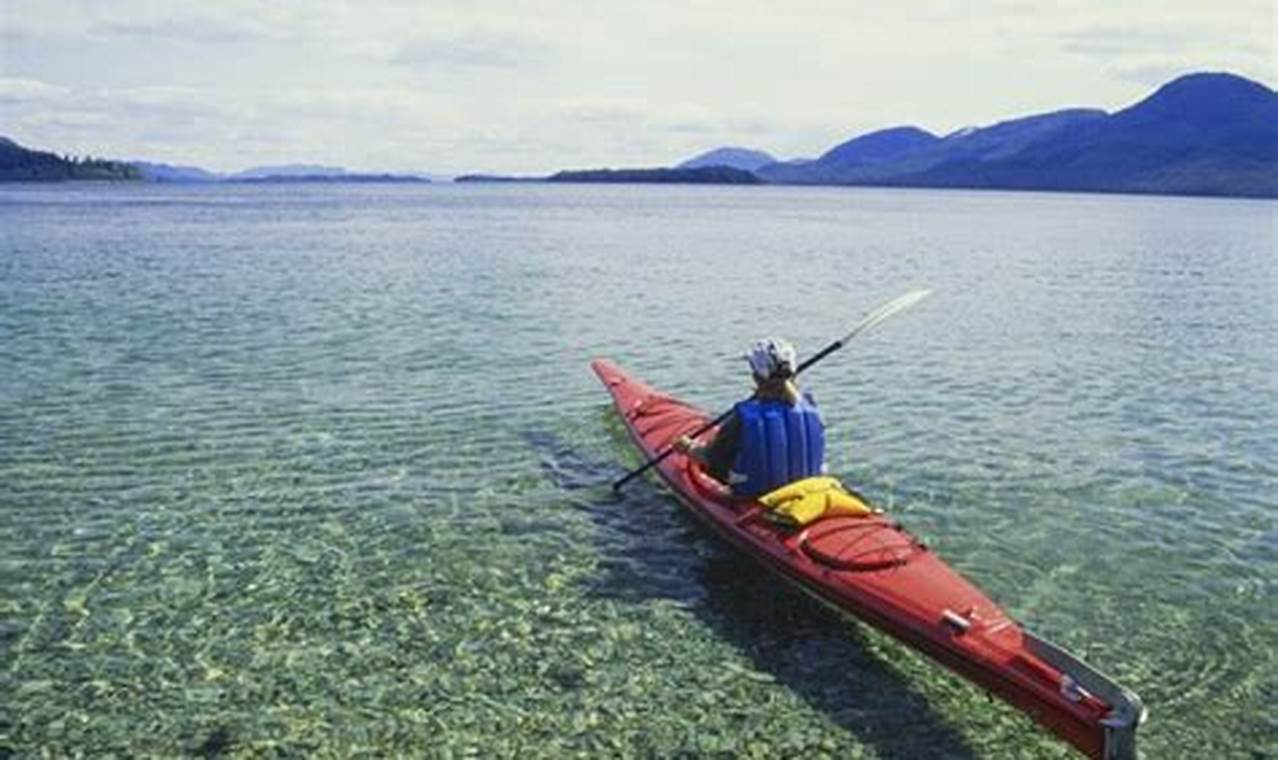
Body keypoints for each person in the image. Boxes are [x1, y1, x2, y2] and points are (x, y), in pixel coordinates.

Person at [674, 338, 826, 497]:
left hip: (752, 495)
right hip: (806, 490)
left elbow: (715, 464)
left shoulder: (743, 417)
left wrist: (688, 448)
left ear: (756, 377)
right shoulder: (811, 407)